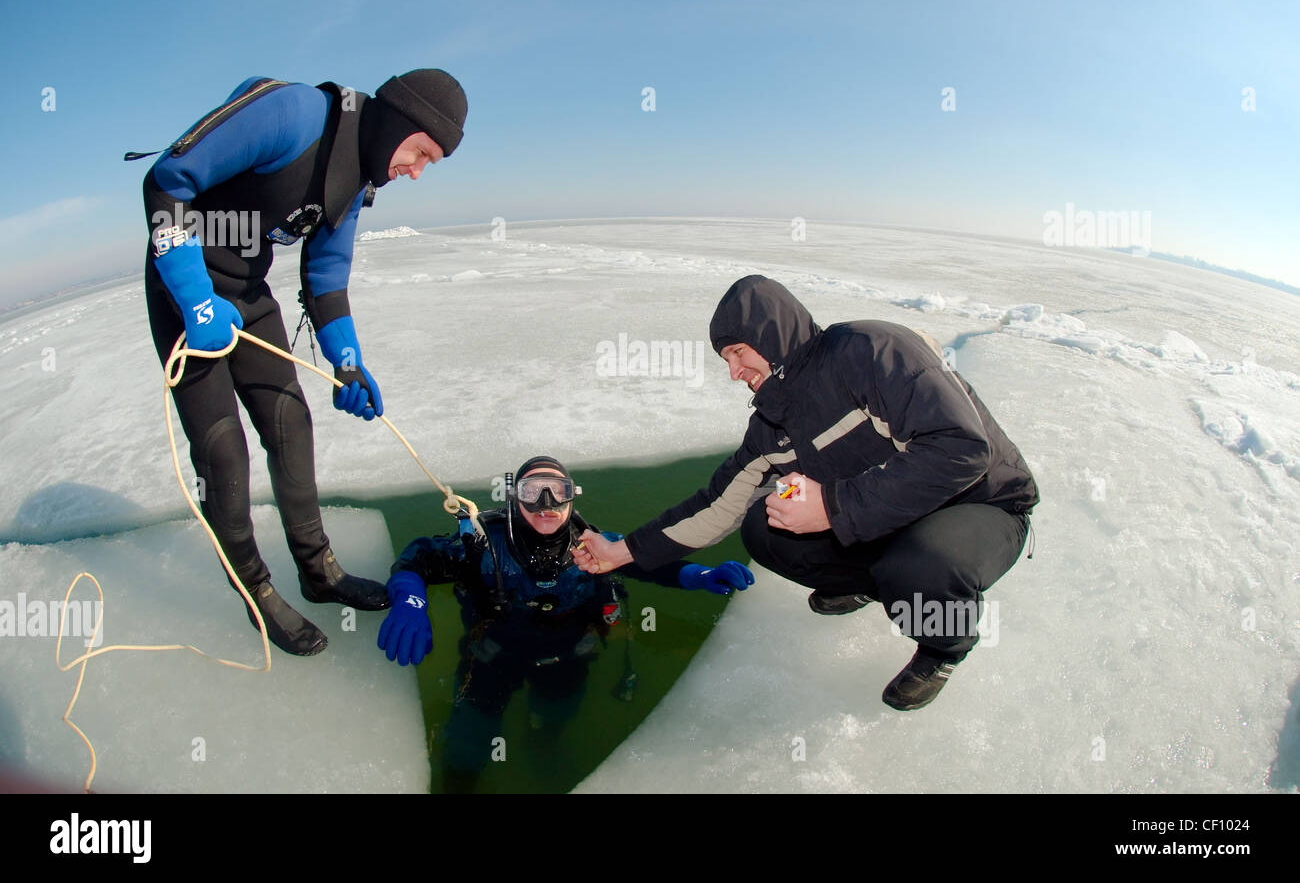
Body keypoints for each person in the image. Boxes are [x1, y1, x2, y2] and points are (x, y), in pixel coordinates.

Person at [575, 275, 1039, 711]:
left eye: (738, 352)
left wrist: (833, 506)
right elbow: (716, 505)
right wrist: (622, 553)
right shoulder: (772, 424)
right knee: (765, 526)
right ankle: (873, 584)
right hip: (894, 519)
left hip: (982, 504)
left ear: (771, 335)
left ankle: (944, 647)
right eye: (726, 361)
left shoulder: (870, 350)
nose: (734, 372)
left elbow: (960, 448)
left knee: (919, 562)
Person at [141, 69, 468, 656]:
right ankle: (257, 591)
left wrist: (348, 362)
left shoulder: (359, 183)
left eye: (431, 164)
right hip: (183, 291)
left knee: (291, 424)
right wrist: (193, 299)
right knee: (223, 451)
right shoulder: (292, 115)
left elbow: (324, 278)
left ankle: (320, 573)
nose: (417, 170)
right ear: (397, 121)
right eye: (419, 152)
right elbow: (167, 182)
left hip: (246, 291)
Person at [378, 456, 753, 790]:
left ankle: (542, 743)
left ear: (572, 496)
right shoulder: (484, 545)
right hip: (492, 657)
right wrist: (410, 601)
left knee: (552, 720)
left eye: (556, 491)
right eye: (533, 491)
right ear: (514, 497)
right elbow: (417, 559)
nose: (546, 504)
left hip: (568, 657)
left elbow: (649, 563)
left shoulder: (595, 545)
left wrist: (702, 576)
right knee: (466, 746)